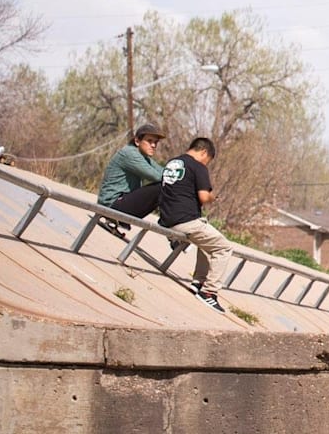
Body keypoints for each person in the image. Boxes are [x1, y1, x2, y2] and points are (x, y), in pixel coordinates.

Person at [157, 136, 234, 313]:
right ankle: (209, 292)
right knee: (224, 248)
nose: (206, 164)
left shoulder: (172, 163)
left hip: (167, 219)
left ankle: (198, 282)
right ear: (204, 152)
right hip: (186, 221)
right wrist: (214, 197)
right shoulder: (197, 166)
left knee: (208, 241)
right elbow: (204, 197)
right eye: (208, 161)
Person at [95, 123, 168, 235]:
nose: (153, 145)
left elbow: (163, 171)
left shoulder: (143, 156)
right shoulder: (130, 154)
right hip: (111, 205)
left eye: (155, 142)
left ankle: (172, 228)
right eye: (149, 141)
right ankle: (172, 232)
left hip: (120, 204)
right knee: (162, 186)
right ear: (137, 141)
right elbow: (156, 176)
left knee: (167, 185)